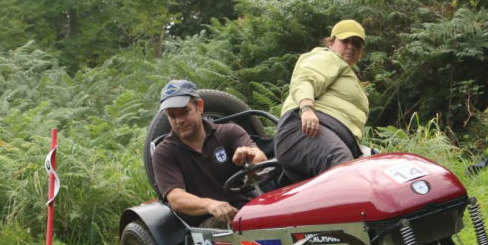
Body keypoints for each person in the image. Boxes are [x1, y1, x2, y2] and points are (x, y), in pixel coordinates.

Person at [151, 80, 267, 228]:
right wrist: (210, 205)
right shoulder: (164, 153)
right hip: (206, 223)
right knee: (240, 223)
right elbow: (176, 198)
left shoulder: (230, 132)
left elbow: (261, 158)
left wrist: (250, 156)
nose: (179, 121)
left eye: (185, 112)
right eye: (172, 116)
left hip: (245, 208)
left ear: (199, 107)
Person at [274, 19, 369, 183]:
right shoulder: (327, 57)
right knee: (340, 161)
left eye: (356, 44)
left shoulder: (346, 72)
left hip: (326, 135)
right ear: (331, 42)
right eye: (345, 40)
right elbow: (305, 79)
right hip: (305, 129)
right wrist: (307, 109)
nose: (351, 46)